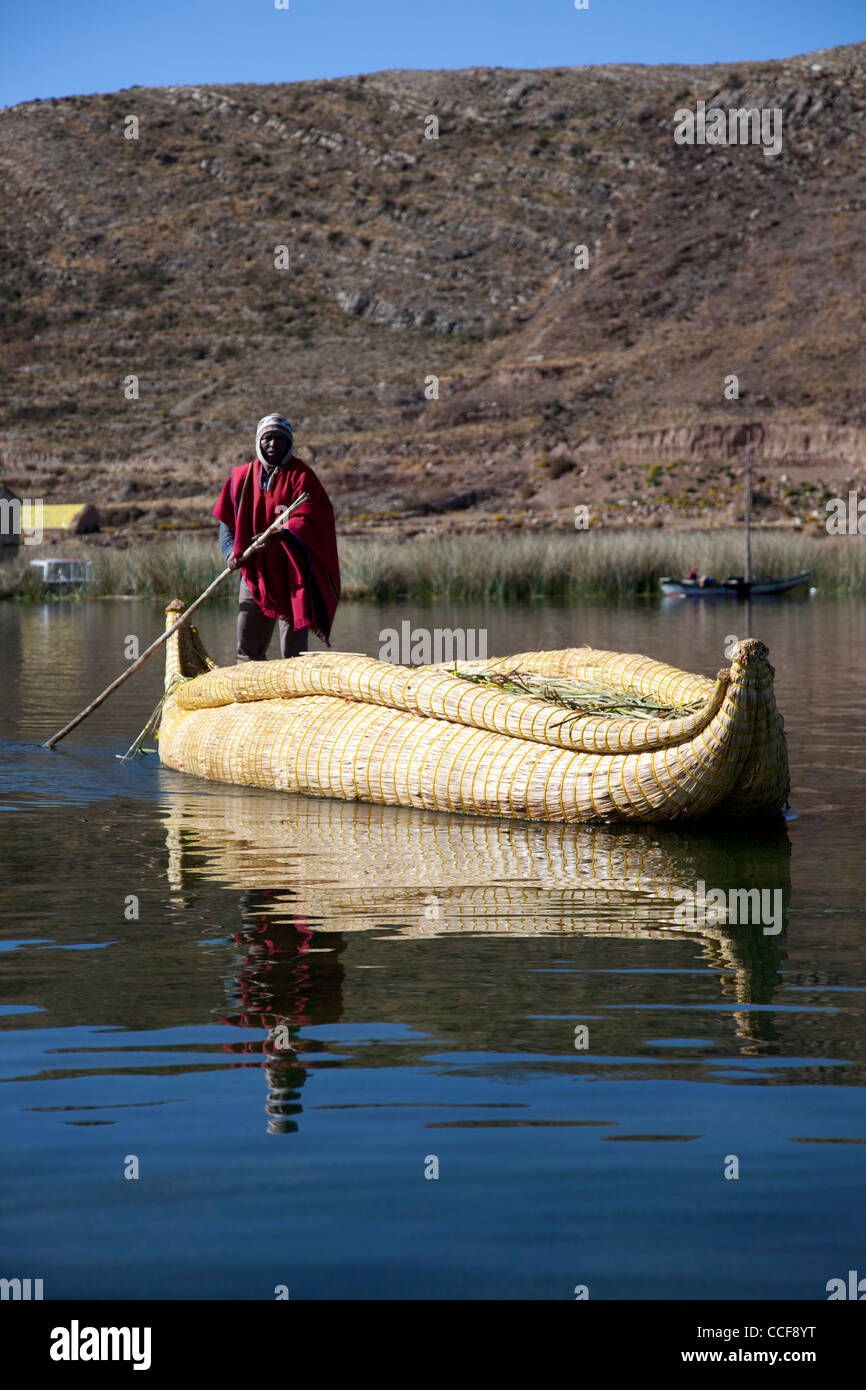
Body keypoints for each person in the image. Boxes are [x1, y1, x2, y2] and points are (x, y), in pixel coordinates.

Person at [214, 414, 340, 660]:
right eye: (267, 439)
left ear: (289, 442)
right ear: (259, 441)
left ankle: (293, 692)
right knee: (247, 643)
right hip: (255, 571)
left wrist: (279, 534)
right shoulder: (242, 476)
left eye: (279, 439)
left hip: (293, 571)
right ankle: (251, 691)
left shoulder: (302, 476)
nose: (272, 445)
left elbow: (314, 517)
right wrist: (230, 552)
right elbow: (226, 523)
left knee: (294, 649)